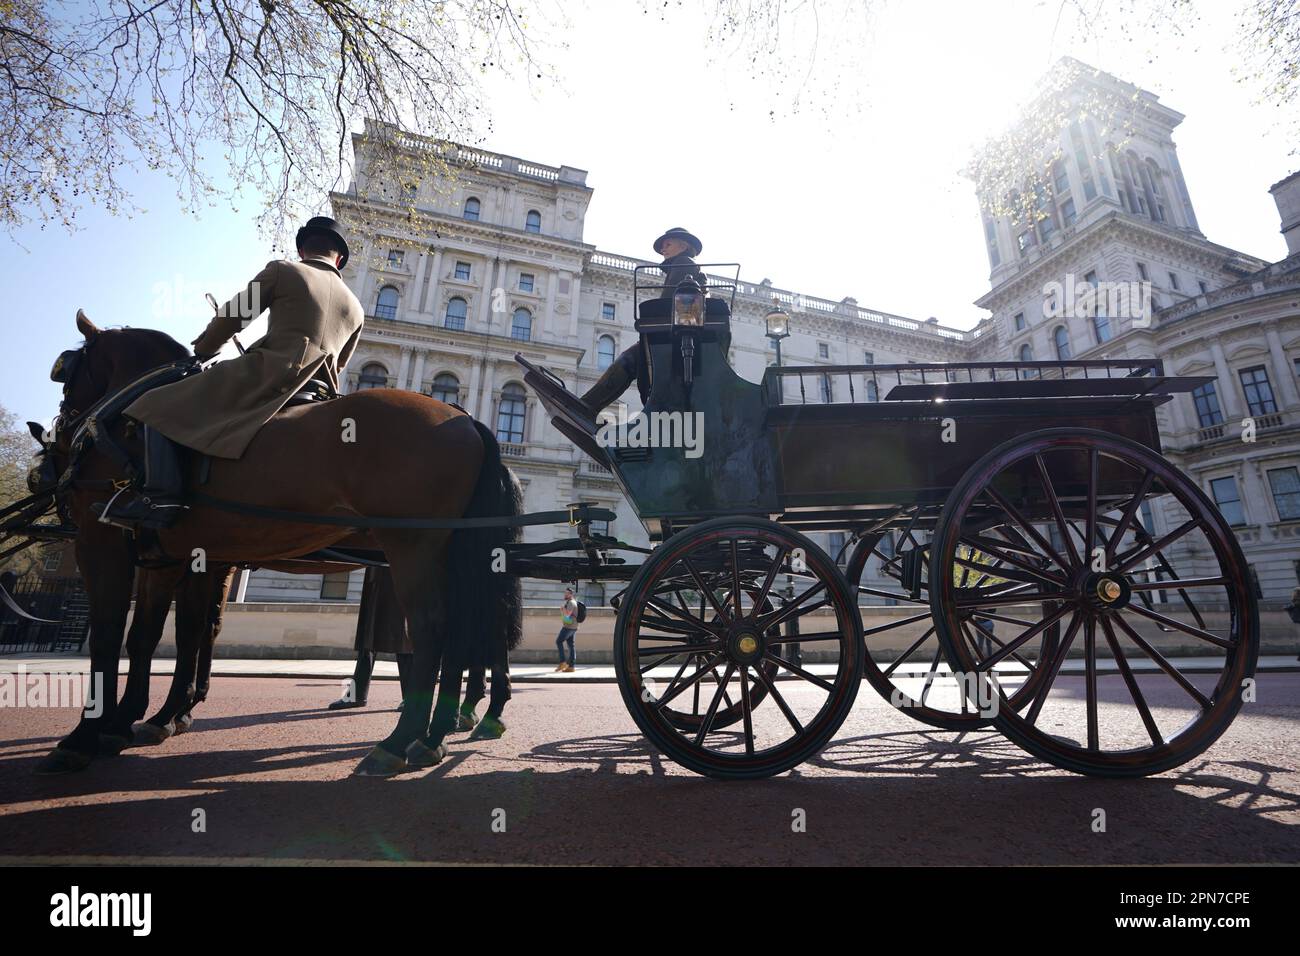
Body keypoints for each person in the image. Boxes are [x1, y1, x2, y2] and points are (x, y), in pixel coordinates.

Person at [104, 217, 365, 528]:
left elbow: (235, 316)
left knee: (153, 405)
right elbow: (339, 365)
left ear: (303, 250)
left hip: (267, 377)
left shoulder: (285, 270)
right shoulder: (357, 308)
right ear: (339, 258)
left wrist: (204, 349)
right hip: (320, 394)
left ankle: (160, 497)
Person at [580, 227, 708, 414]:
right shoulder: (686, 265)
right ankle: (589, 405)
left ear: (684, 245)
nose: (663, 249)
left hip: (675, 339)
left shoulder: (683, 263)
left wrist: (650, 322)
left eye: (668, 244)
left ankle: (588, 405)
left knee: (628, 359)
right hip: (680, 337)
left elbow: (666, 303)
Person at [329, 566, 415, 711]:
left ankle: (411, 697)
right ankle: (356, 695)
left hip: (402, 565)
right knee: (368, 633)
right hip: (377, 566)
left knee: (401, 634)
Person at [554, 586, 579, 673]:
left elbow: (568, 614)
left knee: (559, 641)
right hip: (573, 627)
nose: (565, 594)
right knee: (571, 645)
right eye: (565, 593)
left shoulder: (571, 603)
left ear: (571, 594)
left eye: (566, 593)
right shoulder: (572, 602)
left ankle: (562, 662)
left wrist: (563, 609)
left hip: (568, 627)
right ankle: (571, 667)